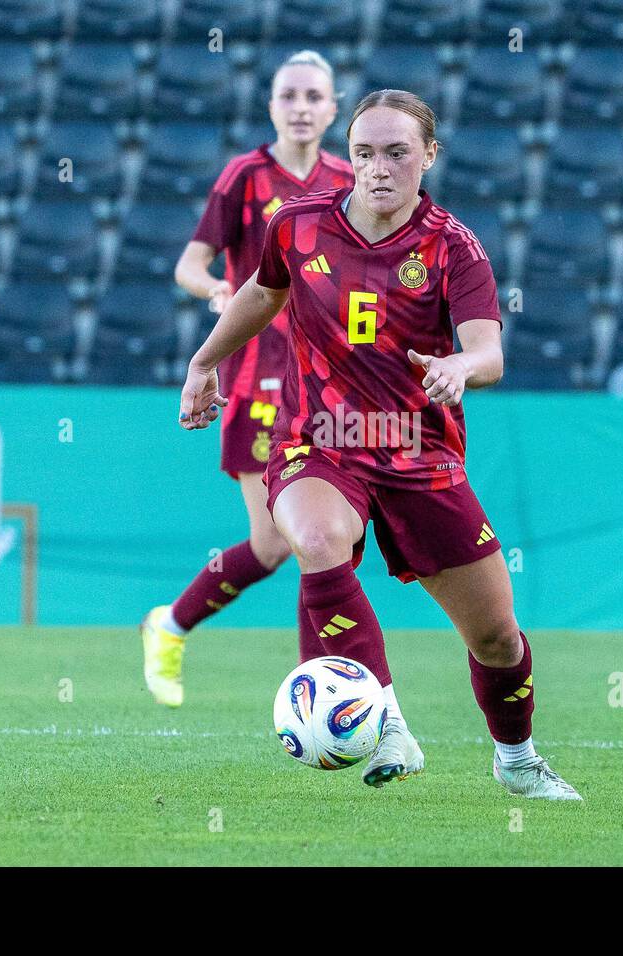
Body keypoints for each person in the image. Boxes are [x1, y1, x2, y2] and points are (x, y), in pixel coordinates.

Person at [178, 89, 581, 799]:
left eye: (397, 153)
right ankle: (386, 720)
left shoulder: (453, 246)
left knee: (496, 638)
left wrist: (460, 366)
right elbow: (262, 294)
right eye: (364, 152)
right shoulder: (297, 226)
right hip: (320, 443)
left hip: (420, 457)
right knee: (313, 537)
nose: (377, 168)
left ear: (429, 155)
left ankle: (517, 760)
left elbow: (489, 351)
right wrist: (205, 360)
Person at [140, 52, 420, 785]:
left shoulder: (346, 181)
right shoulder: (244, 178)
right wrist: (223, 293)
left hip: (326, 384)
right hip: (251, 377)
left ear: (333, 111)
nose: (301, 107)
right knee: (283, 544)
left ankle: (195, 634)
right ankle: (314, 687)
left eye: (315, 97)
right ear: (272, 107)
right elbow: (189, 264)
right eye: (288, 95)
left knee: (294, 545)